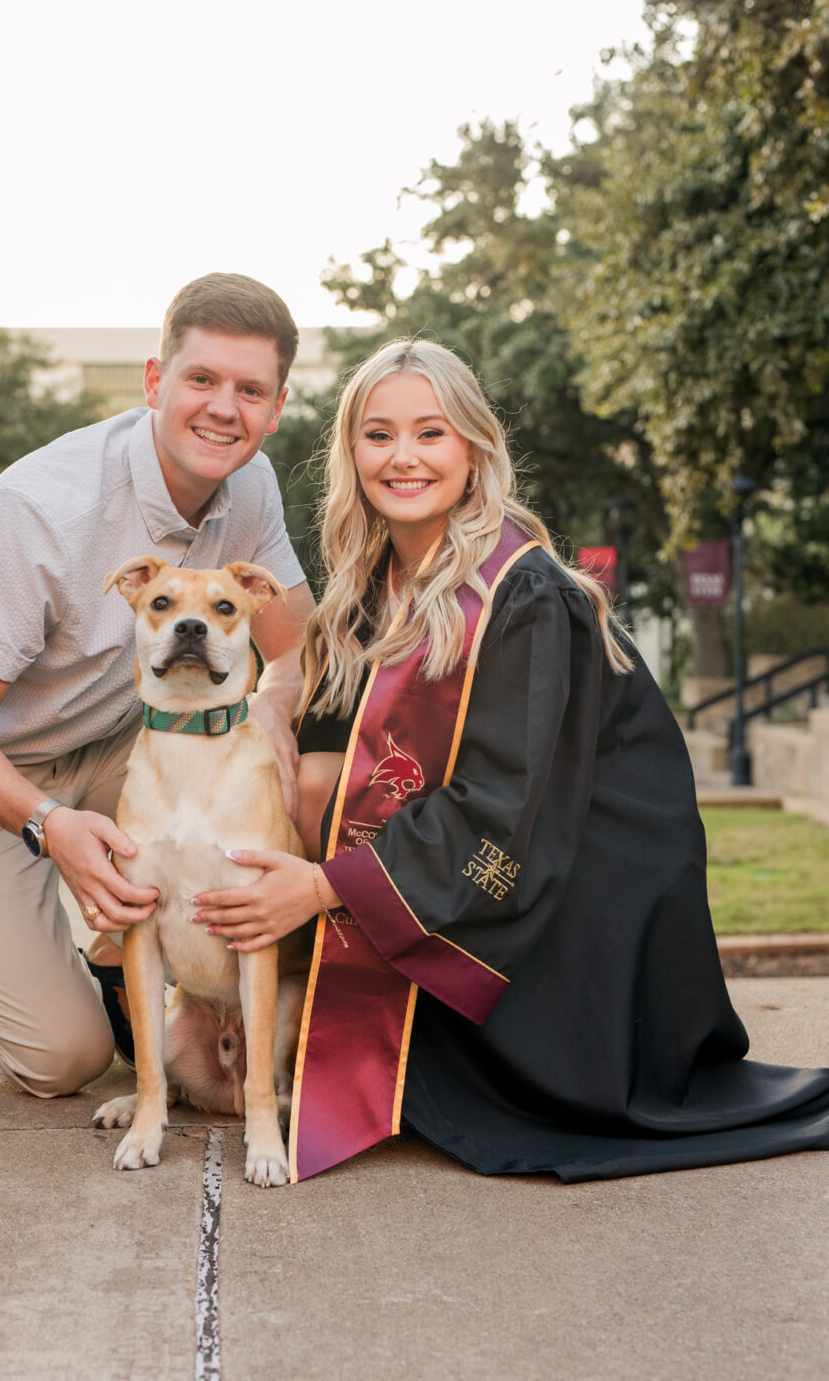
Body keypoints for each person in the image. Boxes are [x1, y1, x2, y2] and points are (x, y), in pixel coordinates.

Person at [191, 339, 829, 1182]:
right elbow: (330, 753)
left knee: (454, 1092)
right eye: (379, 435)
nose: (405, 457)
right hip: (482, 861)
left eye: (432, 433)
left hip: (581, 888)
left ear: (474, 450)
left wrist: (318, 889)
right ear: (351, 454)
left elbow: (505, 806)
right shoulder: (368, 587)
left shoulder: (528, 598)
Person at [0, 272, 315, 1099]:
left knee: (304, 777)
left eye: (249, 390)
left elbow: (297, 652)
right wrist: (52, 829)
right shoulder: (41, 510)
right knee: (63, 1058)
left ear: (276, 405)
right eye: (202, 380)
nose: (224, 408)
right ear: (156, 382)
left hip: (111, 740)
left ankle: (135, 960)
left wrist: (270, 718)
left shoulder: (249, 481)